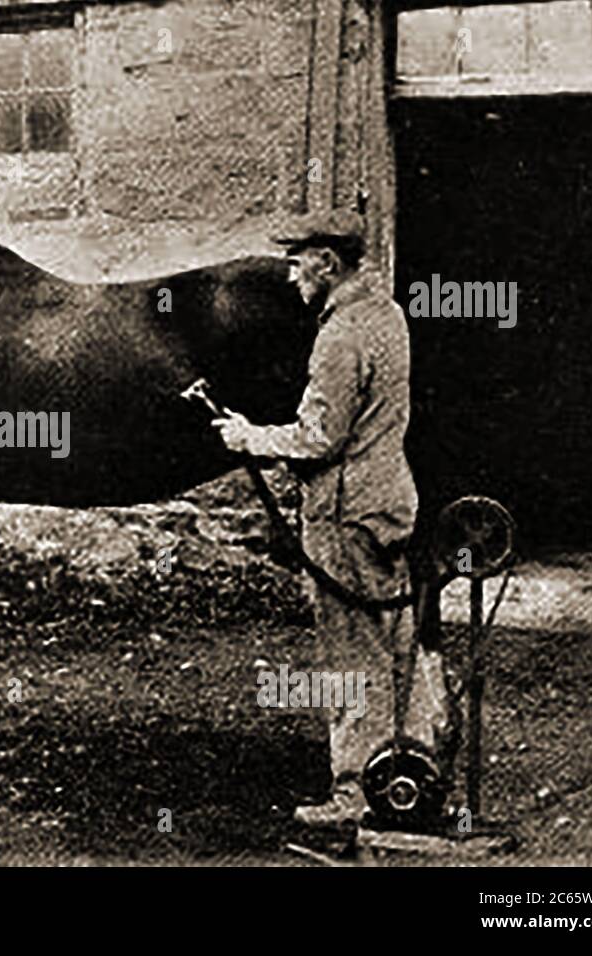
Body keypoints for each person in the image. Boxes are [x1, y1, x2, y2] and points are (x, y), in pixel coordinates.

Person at [214, 209, 451, 824]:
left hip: (344, 515)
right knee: (396, 640)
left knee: (351, 657)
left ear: (327, 261)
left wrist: (249, 437)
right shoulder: (389, 316)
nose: (291, 272)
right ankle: (416, 772)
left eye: (298, 260)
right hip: (391, 502)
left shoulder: (340, 335)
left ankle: (355, 794)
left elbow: (320, 437)